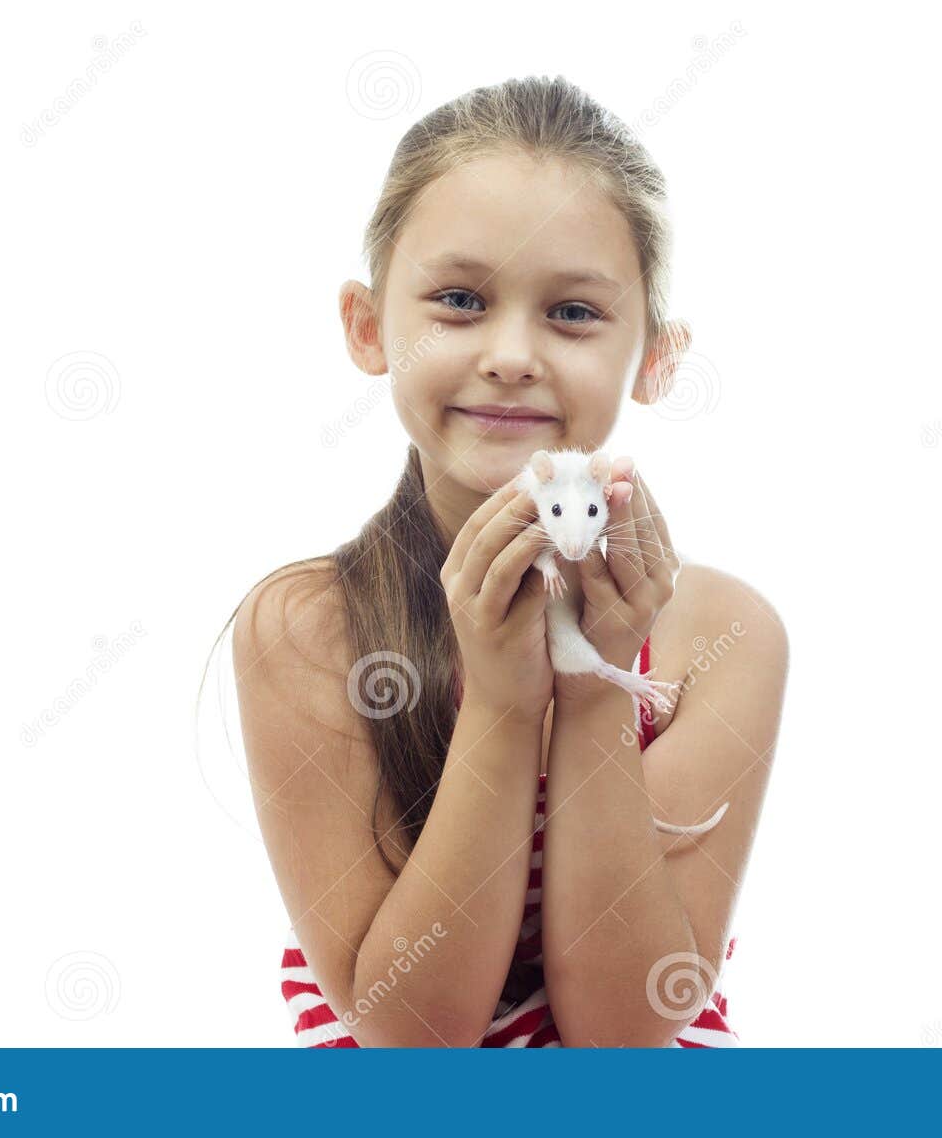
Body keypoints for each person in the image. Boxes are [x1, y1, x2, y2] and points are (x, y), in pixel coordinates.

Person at [219, 74, 787, 1047]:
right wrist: (501, 697)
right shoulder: (308, 625)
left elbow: (625, 1031)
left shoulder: (719, 635)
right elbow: (411, 1037)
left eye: (572, 312)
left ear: (654, 353)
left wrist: (595, 676)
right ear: (368, 328)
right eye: (459, 299)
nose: (513, 353)